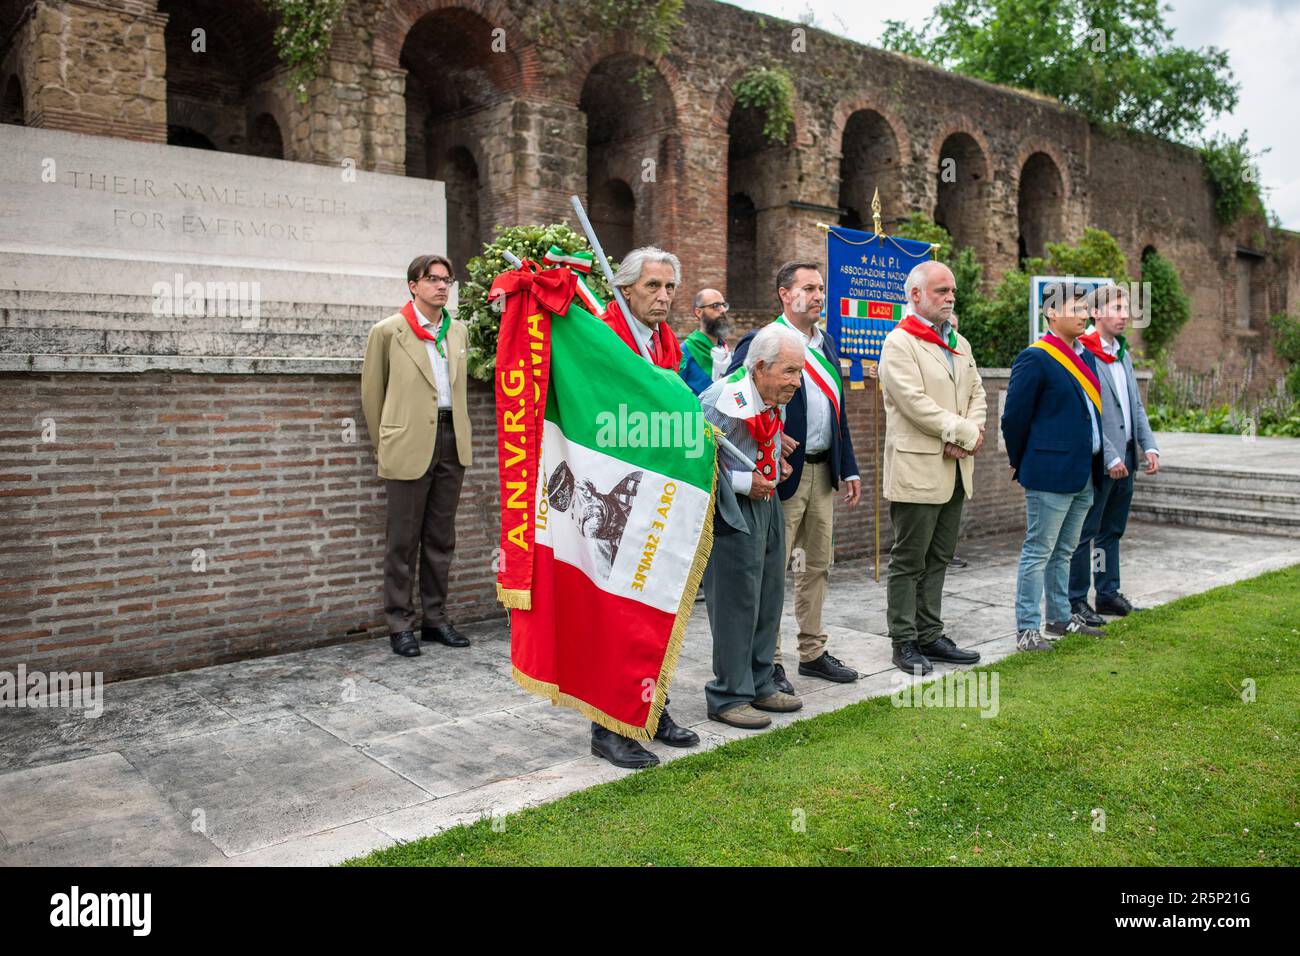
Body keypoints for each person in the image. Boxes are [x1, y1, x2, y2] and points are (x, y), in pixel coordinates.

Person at [588, 246, 700, 768]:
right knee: (619, 609)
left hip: (663, 490)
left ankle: (652, 706)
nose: (662, 296)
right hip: (619, 491)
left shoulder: (665, 342)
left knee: (658, 604)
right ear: (625, 287)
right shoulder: (605, 334)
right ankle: (608, 726)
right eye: (652, 286)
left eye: (670, 288)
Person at [727, 262, 860, 694]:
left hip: (823, 470)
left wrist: (849, 465)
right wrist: (771, 431)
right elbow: (732, 401)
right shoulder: (761, 341)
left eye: (821, 288)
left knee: (817, 566)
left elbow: (837, 412)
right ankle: (771, 660)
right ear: (785, 294)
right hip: (780, 474)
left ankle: (813, 651)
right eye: (808, 288)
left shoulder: (828, 345)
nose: (818, 295)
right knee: (773, 570)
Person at [361, 254, 473, 658]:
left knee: (441, 539)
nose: (442, 286)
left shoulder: (457, 333)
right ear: (413, 285)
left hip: (451, 439)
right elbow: (372, 396)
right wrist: (388, 442)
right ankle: (399, 624)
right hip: (407, 442)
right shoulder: (388, 332)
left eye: (447, 280)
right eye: (433, 280)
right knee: (402, 541)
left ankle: (436, 620)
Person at [878, 261, 986, 675]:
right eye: (941, 291)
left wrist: (972, 430)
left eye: (952, 291)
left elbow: (976, 391)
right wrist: (963, 432)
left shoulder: (958, 343)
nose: (950, 297)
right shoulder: (899, 344)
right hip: (919, 469)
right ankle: (903, 640)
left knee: (940, 555)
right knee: (909, 558)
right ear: (916, 295)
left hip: (956, 469)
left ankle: (931, 633)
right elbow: (913, 403)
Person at [699, 324, 806, 728]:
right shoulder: (718, 401)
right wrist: (747, 481)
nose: (796, 382)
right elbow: (696, 466)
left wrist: (775, 460)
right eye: (790, 372)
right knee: (735, 603)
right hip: (732, 510)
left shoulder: (771, 397)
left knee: (767, 597)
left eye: (799, 372)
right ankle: (728, 695)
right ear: (760, 367)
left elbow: (760, 441)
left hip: (768, 504)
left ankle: (761, 682)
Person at [1001, 282, 1108, 652]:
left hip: (1084, 473)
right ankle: (1027, 628)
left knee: (1065, 551)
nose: (1085, 315)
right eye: (1077, 309)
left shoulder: (1086, 357)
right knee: (1038, 551)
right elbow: (1013, 419)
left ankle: (1060, 618)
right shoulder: (1036, 357)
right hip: (1049, 474)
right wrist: (1027, 461)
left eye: (1086, 309)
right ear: (1051, 313)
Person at [1069, 285, 1161, 623]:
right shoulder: (1085, 354)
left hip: (1128, 461)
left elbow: (1134, 406)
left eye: (1127, 310)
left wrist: (1148, 446)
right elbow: (1088, 412)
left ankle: (1107, 593)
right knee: (1086, 532)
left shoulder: (1122, 353)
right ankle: (1077, 600)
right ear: (1097, 313)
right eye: (1118, 308)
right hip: (1101, 462)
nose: (1125, 316)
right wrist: (1110, 456)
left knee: (1112, 531)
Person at [679, 289, 733, 395]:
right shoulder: (684, 352)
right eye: (715, 306)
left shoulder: (726, 352)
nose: (722, 310)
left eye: (723, 305)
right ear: (698, 312)